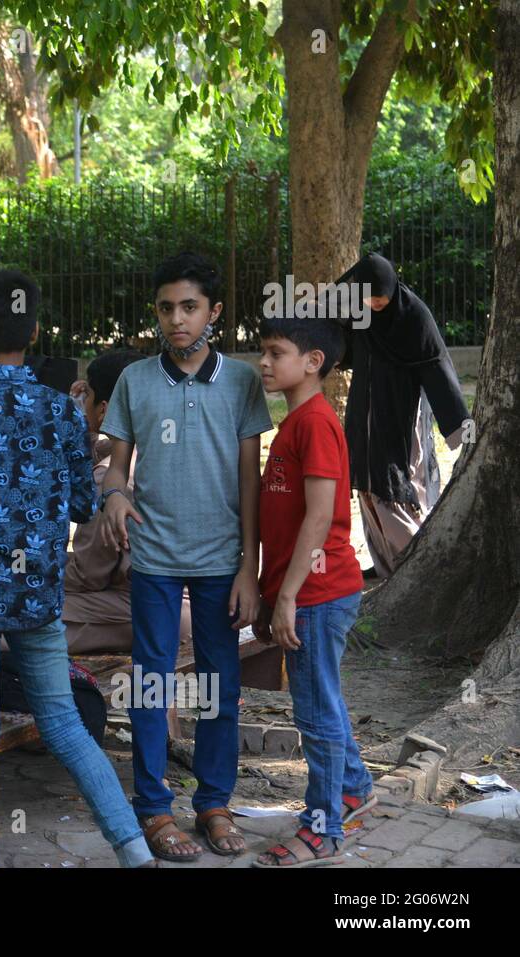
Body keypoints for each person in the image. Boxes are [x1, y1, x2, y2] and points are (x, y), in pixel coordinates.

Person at [0, 269, 154, 869]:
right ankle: (133, 850)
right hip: (39, 595)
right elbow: (83, 503)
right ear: (37, 331)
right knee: (65, 726)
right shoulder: (64, 413)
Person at [99, 251, 272, 862]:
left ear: (213, 312)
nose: (178, 319)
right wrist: (116, 495)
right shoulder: (134, 380)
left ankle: (215, 804)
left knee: (220, 683)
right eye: (167, 308)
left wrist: (249, 567)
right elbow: (117, 466)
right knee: (151, 682)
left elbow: (251, 480)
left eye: (190, 307)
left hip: (223, 559)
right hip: (153, 557)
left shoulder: (244, 381)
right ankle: (153, 809)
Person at [253, 315, 372, 866]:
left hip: (319, 595)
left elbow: (321, 516)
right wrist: (268, 586)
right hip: (307, 592)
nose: (265, 362)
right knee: (323, 701)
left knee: (315, 713)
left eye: (276, 352)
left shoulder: (316, 422)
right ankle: (353, 788)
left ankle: (322, 829)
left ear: (313, 361)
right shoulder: (295, 423)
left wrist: (286, 597)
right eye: (263, 352)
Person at [335, 253, 469, 579]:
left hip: (401, 413)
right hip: (363, 410)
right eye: (369, 299)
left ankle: (419, 569)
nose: (376, 304)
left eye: (380, 298)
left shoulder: (414, 316)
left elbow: (438, 367)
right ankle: (386, 565)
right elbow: (335, 331)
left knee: (395, 487)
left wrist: (462, 430)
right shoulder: (360, 310)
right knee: (367, 484)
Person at [66, 350, 192, 654]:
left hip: (148, 609)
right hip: (193, 600)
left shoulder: (107, 479)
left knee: (23, 608)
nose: (83, 404)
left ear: (105, 409)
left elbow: (89, 574)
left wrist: (33, 568)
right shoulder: (172, 449)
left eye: (89, 396)